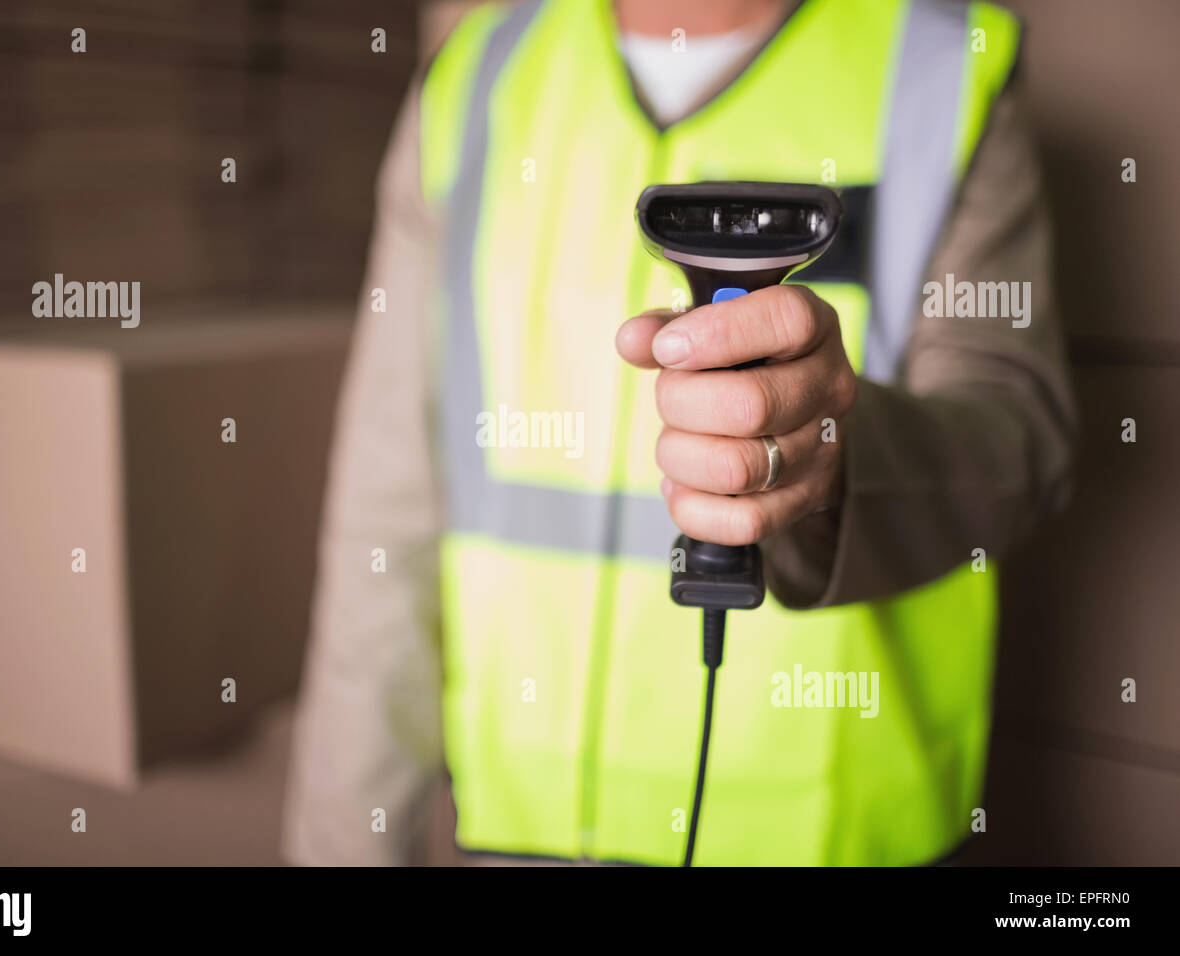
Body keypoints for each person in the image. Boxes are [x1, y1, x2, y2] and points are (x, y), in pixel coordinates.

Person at [283, 0, 1076, 866]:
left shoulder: (944, 65)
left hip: (825, 837)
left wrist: (834, 461)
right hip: (520, 831)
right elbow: (386, 510)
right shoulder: (474, 74)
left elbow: (1020, 438)